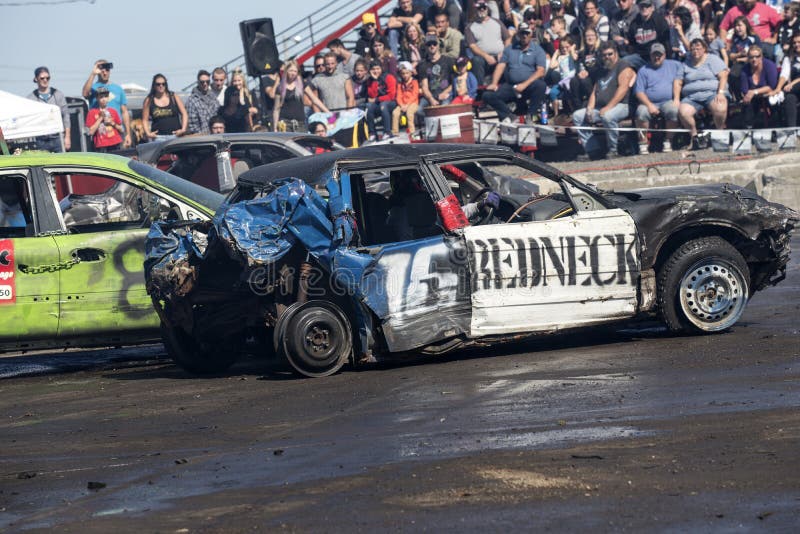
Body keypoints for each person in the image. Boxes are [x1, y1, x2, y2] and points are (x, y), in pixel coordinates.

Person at [386, 169, 499, 242]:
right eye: (420, 181)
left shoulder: (421, 207)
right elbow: (405, 244)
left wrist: (479, 205)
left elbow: (453, 216)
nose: (425, 187)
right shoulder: (400, 215)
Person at [572, 42, 636, 158]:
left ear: (616, 53)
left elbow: (623, 89)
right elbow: (595, 92)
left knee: (608, 116)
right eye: (604, 55)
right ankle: (592, 150)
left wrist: (608, 107)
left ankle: (613, 150)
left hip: (622, 105)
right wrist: (590, 109)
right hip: (601, 107)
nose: (607, 57)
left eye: (610, 54)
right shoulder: (602, 70)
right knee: (578, 116)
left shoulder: (623, 66)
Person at [483, 22, 548, 123]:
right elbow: (501, 66)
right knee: (487, 95)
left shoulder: (538, 50)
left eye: (527, 33)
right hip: (511, 86)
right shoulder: (510, 49)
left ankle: (531, 115)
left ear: (531, 34)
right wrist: (494, 83)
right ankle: (509, 115)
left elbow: (541, 71)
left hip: (529, 85)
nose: (524, 35)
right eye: (522, 33)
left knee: (541, 85)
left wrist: (524, 84)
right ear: (518, 34)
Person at [676, 38, 730, 150]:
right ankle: (694, 139)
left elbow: (723, 75)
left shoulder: (713, 59)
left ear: (704, 49)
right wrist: (676, 99)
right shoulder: (685, 63)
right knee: (683, 112)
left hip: (712, 93)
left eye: (698, 48)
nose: (695, 51)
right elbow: (678, 82)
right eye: (693, 49)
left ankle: (719, 135)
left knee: (720, 108)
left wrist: (720, 93)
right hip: (692, 96)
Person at [634, 43, 681, 153]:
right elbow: (639, 92)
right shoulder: (643, 70)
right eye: (654, 55)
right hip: (648, 102)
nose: (656, 57)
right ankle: (643, 143)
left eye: (659, 55)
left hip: (667, 101)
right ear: (650, 56)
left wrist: (677, 99)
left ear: (664, 55)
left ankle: (668, 141)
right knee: (641, 113)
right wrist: (649, 105)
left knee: (673, 111)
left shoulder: (675, 65)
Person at [82, 59, 131, 148]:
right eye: (102, 70)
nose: (105, 73)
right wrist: (93, 74)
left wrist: (128, 134)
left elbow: (124, 112)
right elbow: (85, 94)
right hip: (100, 137)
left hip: (116, 134)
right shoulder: (93, 88)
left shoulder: (118, 89)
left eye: (107, 70)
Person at [273, 60, 326, 132]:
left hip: (300, 123)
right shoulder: (280, 88)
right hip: (285, 123)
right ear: (286, 71)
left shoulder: (302, 84)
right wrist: (275, 128)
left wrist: (326, 111)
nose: (293, 73)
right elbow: (276, 109)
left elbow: (314, 99)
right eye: (291, 71)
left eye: (295, 71)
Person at [466, 0, 511, 84]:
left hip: (500, 56)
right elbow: (472, 46)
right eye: (479, 8)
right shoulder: (470, 27)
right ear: (475, 9)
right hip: (483, 59)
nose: (482, 10)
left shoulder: (497, 22)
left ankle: (508, 86)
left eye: (484, 7)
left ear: (487, 9)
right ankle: (479, 91)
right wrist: (486, 56)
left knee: (508, 57)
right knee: (476, 60)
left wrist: (504, 52)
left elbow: (508, 39)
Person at [26, 66, 70, 152]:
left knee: (62, 163)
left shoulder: (58, 94)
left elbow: (66, 116)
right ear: (36, 79)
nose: (45, 80)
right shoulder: (31, 98)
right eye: (42, 78)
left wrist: (67, 137)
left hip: (58, 138)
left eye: (47, 78)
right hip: (41, 140)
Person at [417, 34, 456, 119]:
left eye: (434, 44)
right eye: (429, 44)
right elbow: (424, 87)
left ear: (438, 45)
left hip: (446, 94)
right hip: (431, 95)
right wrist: (431, 99)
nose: (432, 46)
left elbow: (454, 82)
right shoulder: (423, 65)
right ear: (426, 47)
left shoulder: (449, 61)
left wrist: (445, 93)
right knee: (419, 110)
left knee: (444, 108)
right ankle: (433, 126)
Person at [739, 47, 779, 128]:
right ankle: (748, 128)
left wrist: (754, 92)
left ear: (761, 57)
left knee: (773, 103)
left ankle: (775, 126)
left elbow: (772, 86)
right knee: (747, 104)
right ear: (748, 58)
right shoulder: (744, 70)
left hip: (769, 95)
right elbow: (745, 90)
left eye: (757, 56)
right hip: (753, 98)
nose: (754, 59)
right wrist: (753, 93)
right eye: (751, 57)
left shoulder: (769, 66)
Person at [626, 0, 670, 71]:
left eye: (647, 6)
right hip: (640, 57)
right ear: (638, 7)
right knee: (624, 62)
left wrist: (667, 59)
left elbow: (666, 42)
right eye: (642, 6)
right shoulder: (634, 23)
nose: (644, 8)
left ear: (652, 8)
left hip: (657, 56)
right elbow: (631, 45)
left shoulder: (659, 20)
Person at [141, 74, 187, 142]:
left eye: (163, 84)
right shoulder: (149, 100)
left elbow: (184, 113)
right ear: (154, 85)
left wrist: (183, 129)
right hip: (158, 137)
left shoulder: (173, 96)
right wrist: (148, 133)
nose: (161, 86)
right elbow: (145, 119)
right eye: (158, 84)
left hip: (175, 136)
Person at [728, 16, 762, 100]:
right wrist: (739, 54)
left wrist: (739, 59)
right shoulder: (736, 39)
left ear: (746, 26)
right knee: (731, 74)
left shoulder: (754, 38)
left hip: (752, 63)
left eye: (740, 25)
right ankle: (738, 98)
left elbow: (757, 56)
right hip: (739, 64)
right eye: (735, 26)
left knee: (737, 71)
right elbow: (731, 56)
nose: (737, 28)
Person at [569, 26, 603, 110]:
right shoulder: (583, 52)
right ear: (584, 38)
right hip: (588, 77)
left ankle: (594, 105)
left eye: (592, 35)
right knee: (574, 81)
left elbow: (603, 66)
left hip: (599, 76)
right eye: (587, 36)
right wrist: (582, 71)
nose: (590, 38)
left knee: (584, 81)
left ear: (596, 36)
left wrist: (589, 72)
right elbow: (580, 64)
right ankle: (578, 109)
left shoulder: (601, 48)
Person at [546, 34, 579, 116]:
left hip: (571, 80)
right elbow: (552, 65)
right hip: (562, 82)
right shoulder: (561, 57)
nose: (564, 49)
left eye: (566, 47)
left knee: (568, 93)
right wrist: (556, 54)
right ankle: (556, 114)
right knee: (553, 92)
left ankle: (572, 112)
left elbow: (575, 58)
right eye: (562, 47)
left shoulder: (572, 55)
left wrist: (572, 49)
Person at [365, 61, 398, 139]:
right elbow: (372, 95)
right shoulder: (370, 80)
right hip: (378, 102)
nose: (376, 71)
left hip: (391, 102)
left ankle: (387, 132)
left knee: (383, 106)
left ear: (381, 68)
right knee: (369, 106)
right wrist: (374, 80)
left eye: (377, 69)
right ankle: (372, 133)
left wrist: (377, 99)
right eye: (373, 69)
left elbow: (391, 96)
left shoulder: (389, 77)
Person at [86, 87, 123, 152]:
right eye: (101, 97)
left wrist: (112, 123)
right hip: (101, 146)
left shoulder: (113, 111)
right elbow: (90, 132)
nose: (104, 99)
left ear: (108, 98)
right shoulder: (92, 112)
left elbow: (121, 129)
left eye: (106, 96)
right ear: (97, 98)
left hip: (115, 143)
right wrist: (100, 118)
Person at [185, 70, 220, 135]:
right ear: (198, 82)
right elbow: (192, 126)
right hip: (201, 139)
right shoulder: (191, 101)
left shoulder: (214, 98)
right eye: (202, 82)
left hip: (215, 137)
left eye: (207, 81)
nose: (205, 84)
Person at [392, 61, 420, 135]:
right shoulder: (400, 84)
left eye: (407, 73)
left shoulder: (414, 82)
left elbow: (415, 95)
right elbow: (398, 96)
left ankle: (412, 131)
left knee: (409, 113)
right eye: (403, 73)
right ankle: (395, 132)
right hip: (402, 104)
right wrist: (401, 105)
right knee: (395, 113)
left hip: (413, 103)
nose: (405, 75)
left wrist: (407, 105)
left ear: (411, 73)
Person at [778, 33, 800, 127]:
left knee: (788, 92)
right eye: (794, 43)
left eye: (799, 42)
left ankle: (782, 94)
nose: (796, 44)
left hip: (794, 86)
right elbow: (784, 74)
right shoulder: (789, 58)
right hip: (795, 91)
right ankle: (792, 131)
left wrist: (792, 83)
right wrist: (778, 88)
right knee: (790, 98)